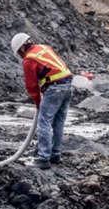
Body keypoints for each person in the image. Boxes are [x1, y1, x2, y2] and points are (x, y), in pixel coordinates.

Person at [12, 33, 73, 169]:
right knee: (58, 123)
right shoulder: (43, 48)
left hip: (55, 89)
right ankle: (55, 155)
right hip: (68, 86)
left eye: (19, 53)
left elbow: (31, 85)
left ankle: (44, 158)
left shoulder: (29, 59)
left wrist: (38, 103)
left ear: (22, 48)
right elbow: (52, 69)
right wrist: (47, 83)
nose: (21, 56)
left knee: (44, 122)